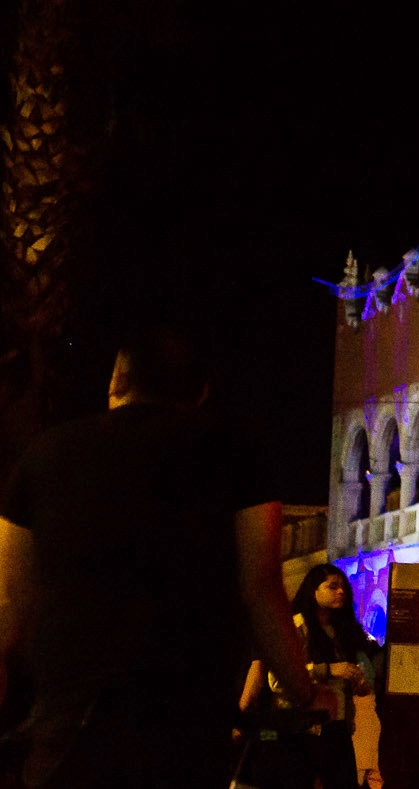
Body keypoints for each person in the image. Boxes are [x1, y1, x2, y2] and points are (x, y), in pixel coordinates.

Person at [0, 326, 328, 788]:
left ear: (117, 381)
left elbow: (9, 602)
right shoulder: (233, 454)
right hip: (185, 722)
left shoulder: (43, 456)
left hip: (71, 720)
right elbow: (261, 587)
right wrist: (305, 692)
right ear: (200, 393)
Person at [268, 563, 376, 789]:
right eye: (332, 586)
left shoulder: (343, 631)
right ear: (313, 591)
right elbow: (277, 679)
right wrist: (327, 670)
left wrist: (356, 682)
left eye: (343, 587)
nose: (341, 592)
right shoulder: (297, 627)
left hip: (338, 727)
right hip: (303, 729)